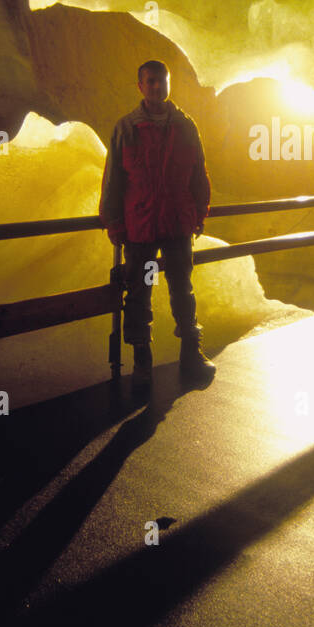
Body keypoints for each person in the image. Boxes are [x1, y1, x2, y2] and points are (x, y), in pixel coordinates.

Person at [99, 59, 216, 385]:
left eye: (161, 81)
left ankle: (191, 354)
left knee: (182, 288)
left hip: (177, 225)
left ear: (168, 84)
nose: (156, 87)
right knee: (139, 292)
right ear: (140, 85)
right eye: (149, 81)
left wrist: (199, 210)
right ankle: (142, 362)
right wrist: (114, 222)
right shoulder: (126, 129)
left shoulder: (185, 126)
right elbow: (113, 180)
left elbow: (198, 173)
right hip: (141, 228)